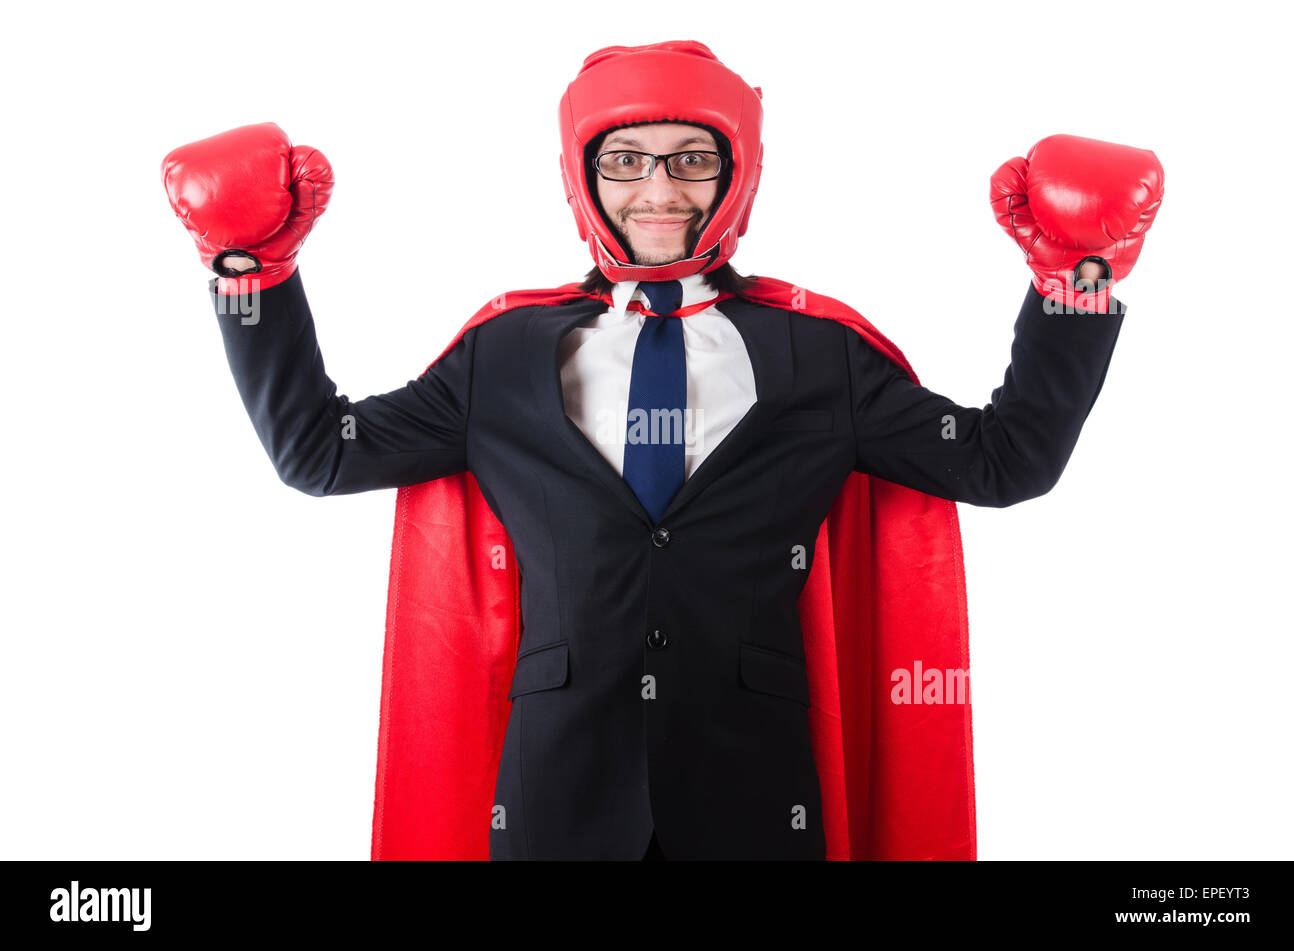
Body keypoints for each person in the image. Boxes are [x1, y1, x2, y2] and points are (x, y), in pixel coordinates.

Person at [162, 40, 1163, 861]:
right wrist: (253, 272)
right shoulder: (500, 356)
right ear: (582, 177)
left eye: (690, 159)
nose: (657, 190)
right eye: (625, 161)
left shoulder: (822, 357)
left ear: (738, 174)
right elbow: (319, 453)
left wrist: (1074, 282)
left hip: (759, 790)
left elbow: (1002, 462)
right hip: (553, 795)